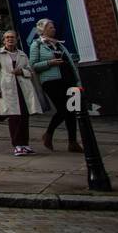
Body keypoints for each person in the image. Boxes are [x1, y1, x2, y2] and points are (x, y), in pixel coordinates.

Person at [28, 18, 83, 154]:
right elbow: (33, 65)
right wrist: (49, 63)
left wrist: (78, 81)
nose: (54, 29)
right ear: (43, 30)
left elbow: (70, 63)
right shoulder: (37, 45)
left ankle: (72, 142)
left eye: (53, 27)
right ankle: (48, 134)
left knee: (73, 110)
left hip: (68, 80)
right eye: (50, 27)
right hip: (51, 81)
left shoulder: (59, 44)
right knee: (64, 109)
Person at [0, 28, 45, 156]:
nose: (10, 39)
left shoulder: (22, 54)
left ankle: (25, 144)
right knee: (14, 117)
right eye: (7, 37)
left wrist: (22, 72)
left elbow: (30, 71)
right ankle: (17, 145)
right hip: (7, 89)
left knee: (24, 116)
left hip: (23, 88)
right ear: (3, 40)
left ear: (16, 39)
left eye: (12, 37)